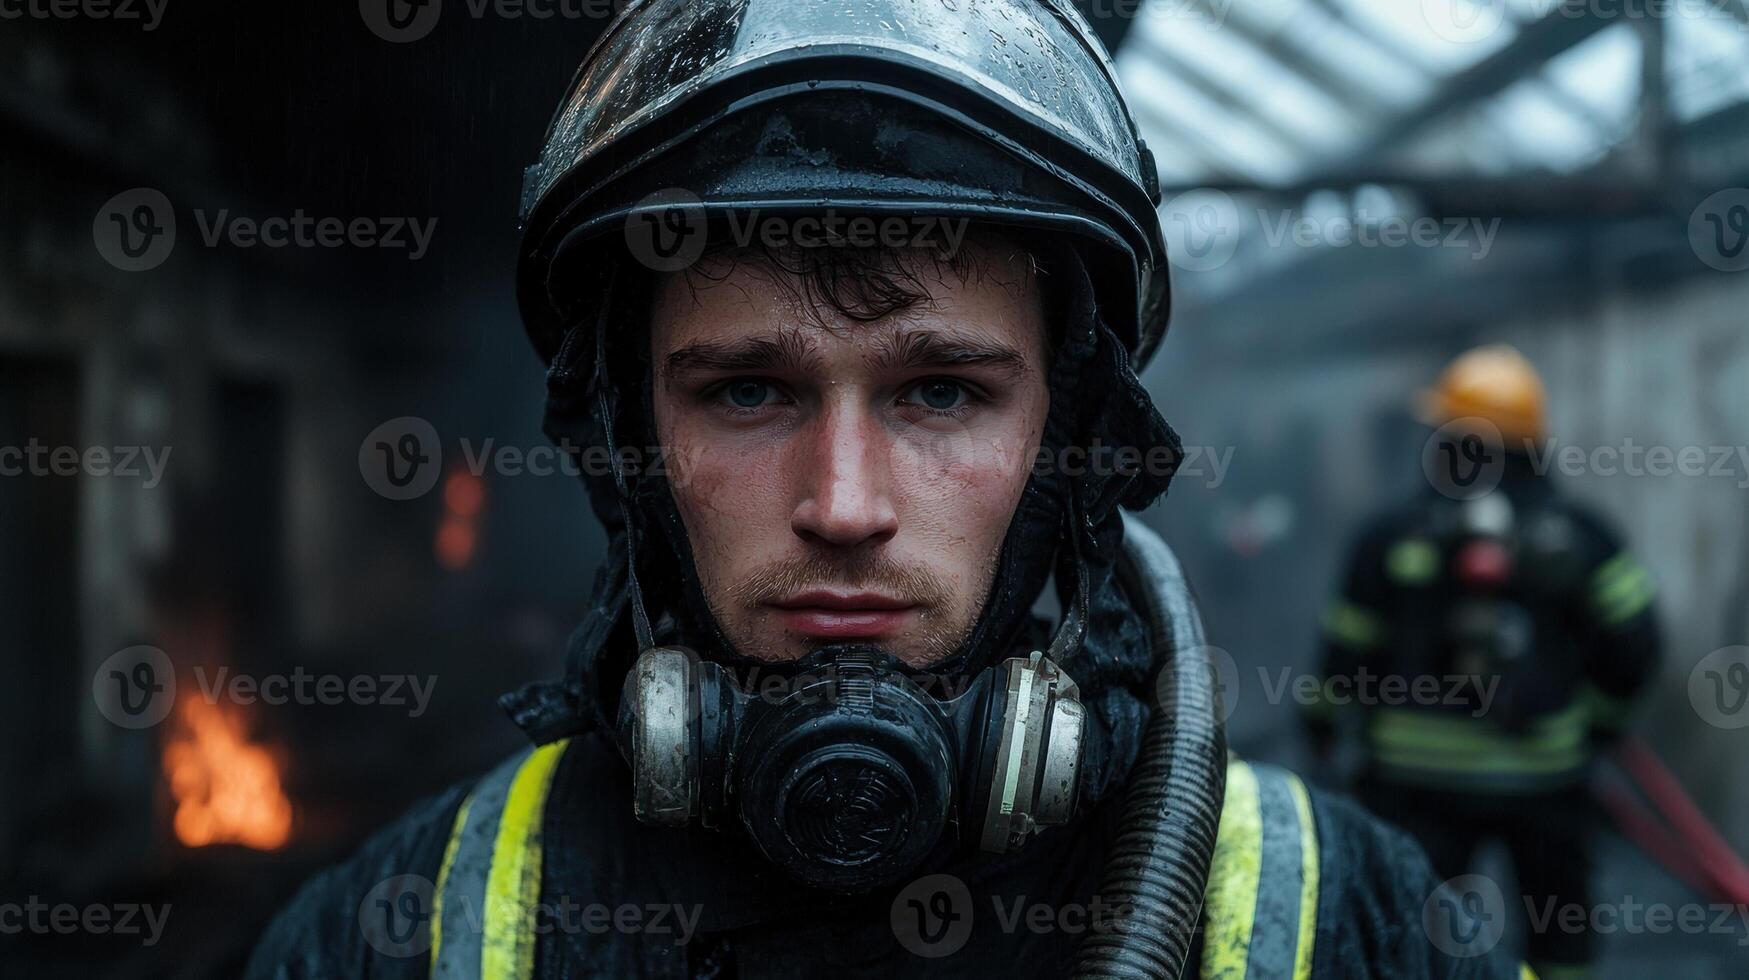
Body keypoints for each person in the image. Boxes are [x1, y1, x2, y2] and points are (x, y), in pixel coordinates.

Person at [248, 2, 1528, 976]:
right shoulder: (393, 931)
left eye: (941, 392)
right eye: (747, 391)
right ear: (628, 441)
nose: (845, 505)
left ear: (1067, 438)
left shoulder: (1366, 922)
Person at [1307, 344, 1662, 980]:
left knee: (1404, 939)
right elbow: (1635, 647)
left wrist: (1325, 733)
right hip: (1544, 780)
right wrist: (1597, 725)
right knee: (1560, 941)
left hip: (1415, 787)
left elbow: (1344, 655)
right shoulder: (1583, 538)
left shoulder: (1392, 535)